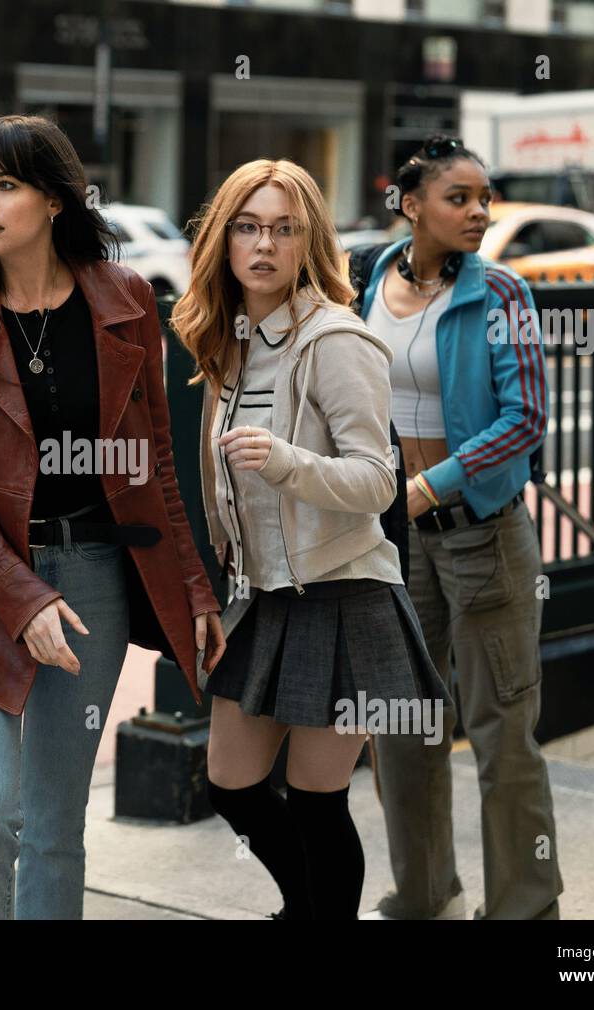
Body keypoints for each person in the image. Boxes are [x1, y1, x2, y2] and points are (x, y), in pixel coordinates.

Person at [0, 114, 224, 920]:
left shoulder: (123, 300)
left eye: (5, 185)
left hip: (93, 583)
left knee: (52, 823)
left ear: (53, 199)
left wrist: (195, 589)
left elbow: (154, 464)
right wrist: (21, 597)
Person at [172, 158, 451, 920]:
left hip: (344, 593)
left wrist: (287, 463)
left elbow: (377, 482)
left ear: (310, 242)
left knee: (318, 798)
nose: (264, 245)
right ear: (224, 240)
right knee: (231, 782)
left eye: (285, 229)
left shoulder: (337, 340)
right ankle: (309, 910)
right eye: (248, 227)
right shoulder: (228, 342)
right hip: (261, 597)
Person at [357, 135, 562, 920]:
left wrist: (428, 485)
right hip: (396, 540)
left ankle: (524, 906)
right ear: (412, 206)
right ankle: (424, 892)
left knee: (502, 733)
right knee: (402, 730)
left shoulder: (502, 294)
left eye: (485, 198)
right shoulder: (374, 277)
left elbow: (525, 419)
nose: (479, 212)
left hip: (482, 536)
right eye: (459, 198)